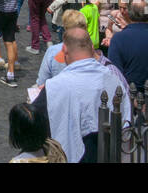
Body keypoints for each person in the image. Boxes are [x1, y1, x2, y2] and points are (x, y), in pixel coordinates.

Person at [31, 26, 132, 163]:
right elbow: (126, 122)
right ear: (91, 48)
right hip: (108, 154)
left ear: (65, 50)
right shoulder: (113, 79)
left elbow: (32, 121)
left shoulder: (56, 85)